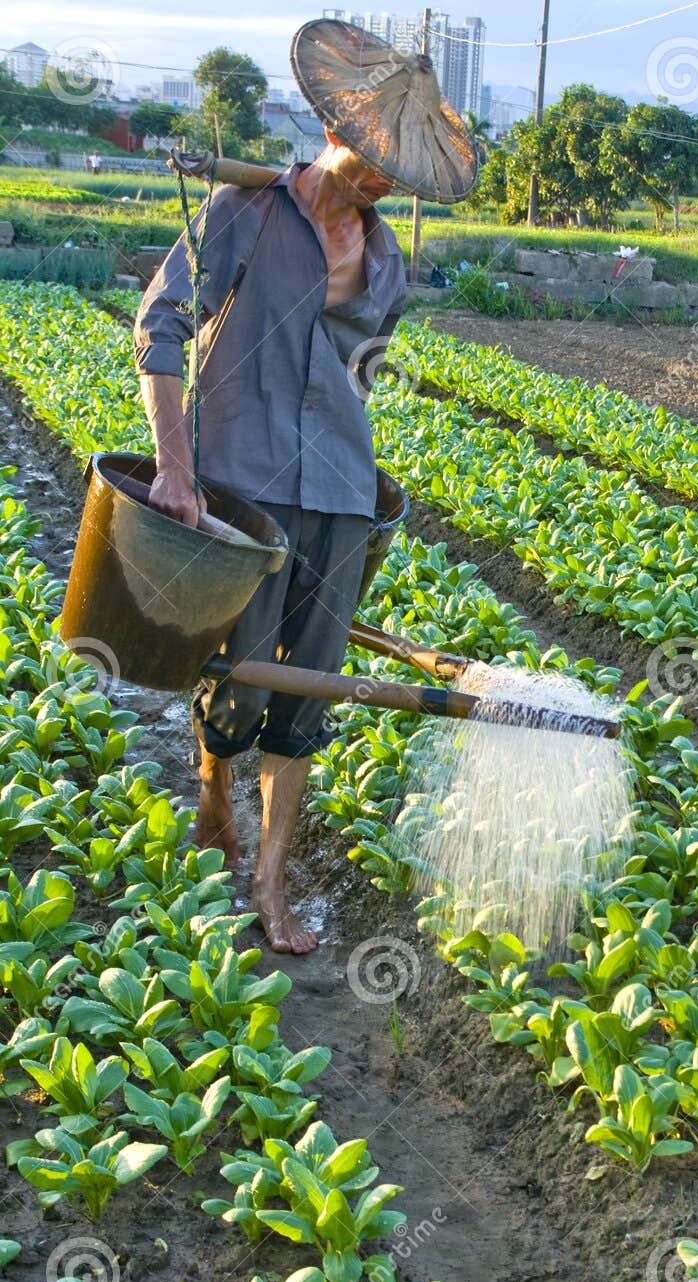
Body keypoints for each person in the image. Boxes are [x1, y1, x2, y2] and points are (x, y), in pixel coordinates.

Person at [133, 19, 477, 953]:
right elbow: (159, 327)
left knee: (309, 690)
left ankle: (272, 880)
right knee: (235, 680)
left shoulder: (387, 260)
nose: (377, 179)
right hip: (240, 481)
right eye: (368, 158)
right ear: (339, 129)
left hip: (338, 493)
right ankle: (214, 793)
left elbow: (358, 372)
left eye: (393, 171)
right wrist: (173, 466)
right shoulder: (244, 214)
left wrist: (355, 460)